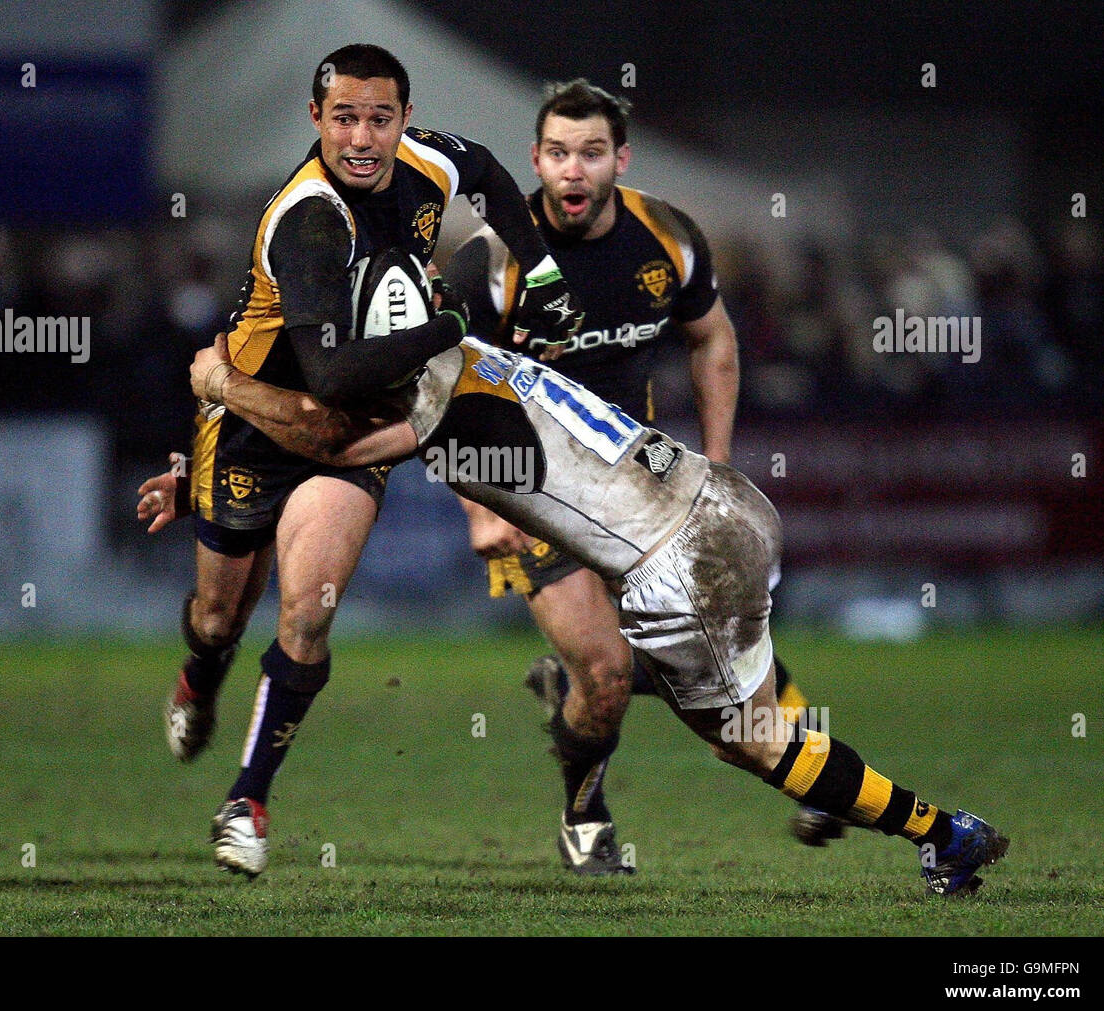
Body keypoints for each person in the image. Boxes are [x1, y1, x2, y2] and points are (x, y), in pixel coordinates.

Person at [139, 331, 1010, 897]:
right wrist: (210, 480)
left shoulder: (430, 405)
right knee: (665, 690)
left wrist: (216, 380)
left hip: (682, 560)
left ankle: (944, 834)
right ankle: (626, 691)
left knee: (747, 739)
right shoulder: (467, 350)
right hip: (723, 502)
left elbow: (327, 441)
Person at [164, 44, 583, 878]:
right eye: (344, 118)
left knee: (309, 612)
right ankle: (202, 672)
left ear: (405, 119)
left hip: (349, 434)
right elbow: (326, 375)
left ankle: (247, 799)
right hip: (255, 417)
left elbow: (495, 174)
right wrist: (457, 317)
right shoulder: (312, 219)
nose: (362, 137)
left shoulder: (428, 162)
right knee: (220, 617)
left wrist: (538, 270)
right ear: (315, 120)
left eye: (380, 118)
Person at [440, 80, 843, 872]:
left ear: (620, 158)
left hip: (641, 486)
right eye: (558, 153)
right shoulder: (490, 259)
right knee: (611, 671)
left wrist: (717, 466)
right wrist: (478, 508)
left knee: (715, 635)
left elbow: (713, 340)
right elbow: (445, 386)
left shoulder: (668, 236)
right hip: (532, 492)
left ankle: (805, 769)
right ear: (535, 160)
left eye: (592, 152)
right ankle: (584, 815)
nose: (574, 170)